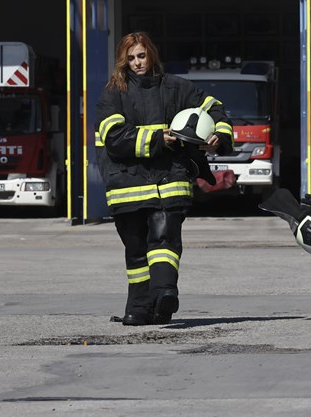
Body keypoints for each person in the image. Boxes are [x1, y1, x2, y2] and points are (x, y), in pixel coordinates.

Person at [95, 32, 233, 325]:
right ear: (123, 61)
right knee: (137, 252)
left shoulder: (177, 88)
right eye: (130, 58)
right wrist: (159, 138)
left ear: (152, 54)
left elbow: (215, 109)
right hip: (127, 184)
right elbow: (114, 137)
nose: (137, 63)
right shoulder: (113, 93)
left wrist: (219, 135)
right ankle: (139, 310)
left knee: (164, 241)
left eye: (141, 56)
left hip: (169, 181)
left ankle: (164, 294)